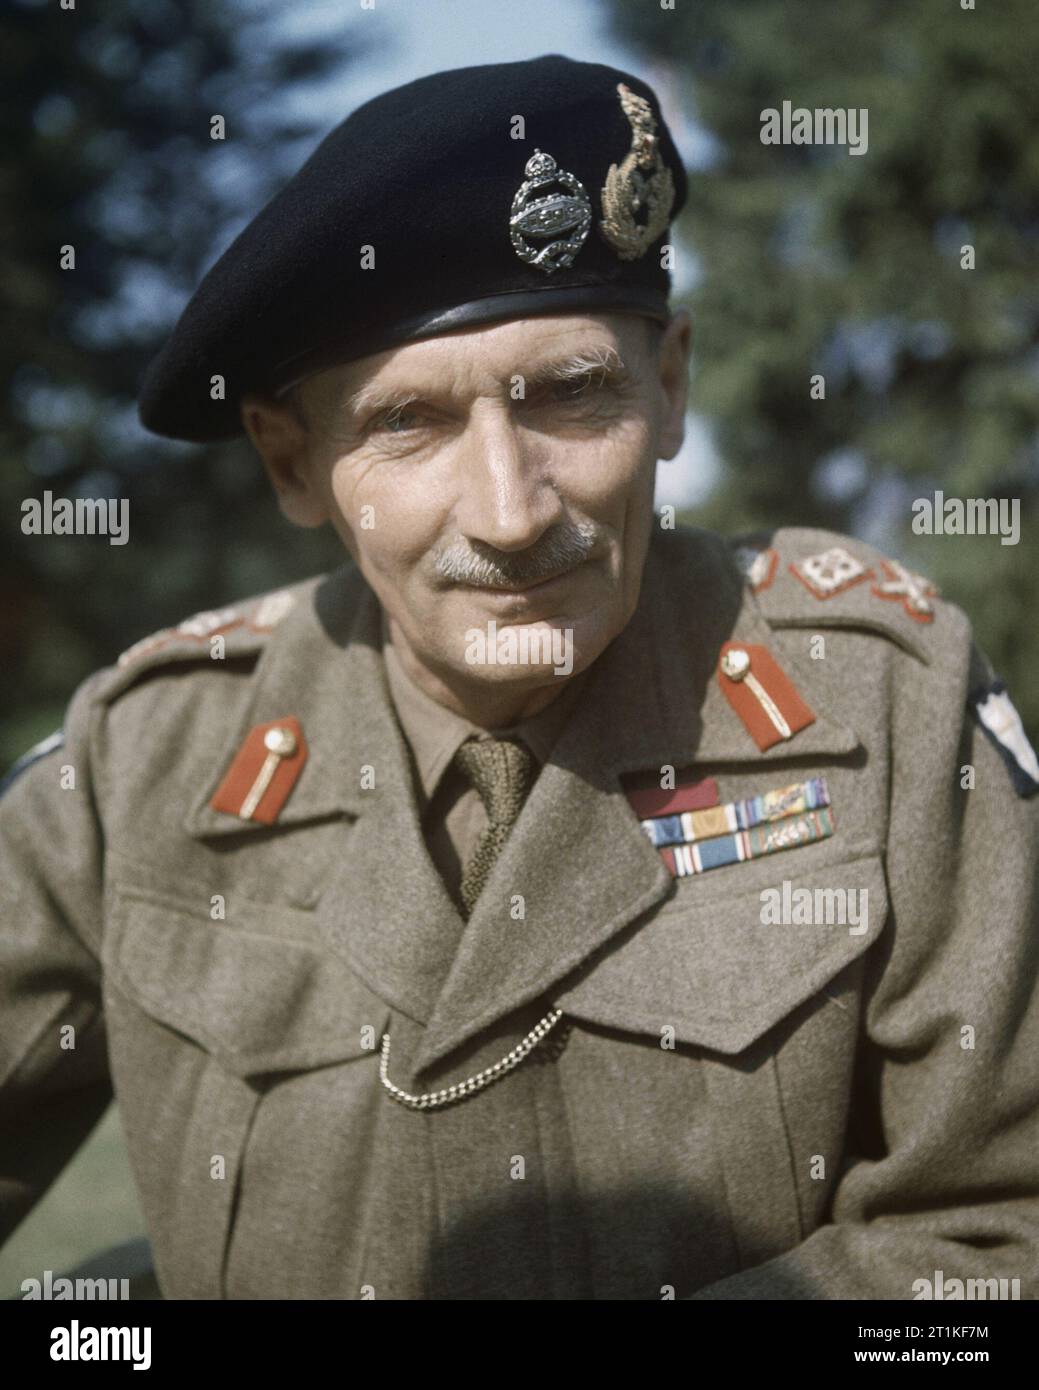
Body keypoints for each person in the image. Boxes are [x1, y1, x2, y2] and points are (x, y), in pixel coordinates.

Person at [2, 54, 1037, 1302]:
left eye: (570, 394)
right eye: (409, 423)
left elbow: (998, 1245)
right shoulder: (143, 758)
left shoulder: (883, 697)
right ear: (289, 464)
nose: (508, 511)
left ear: (667, 389)